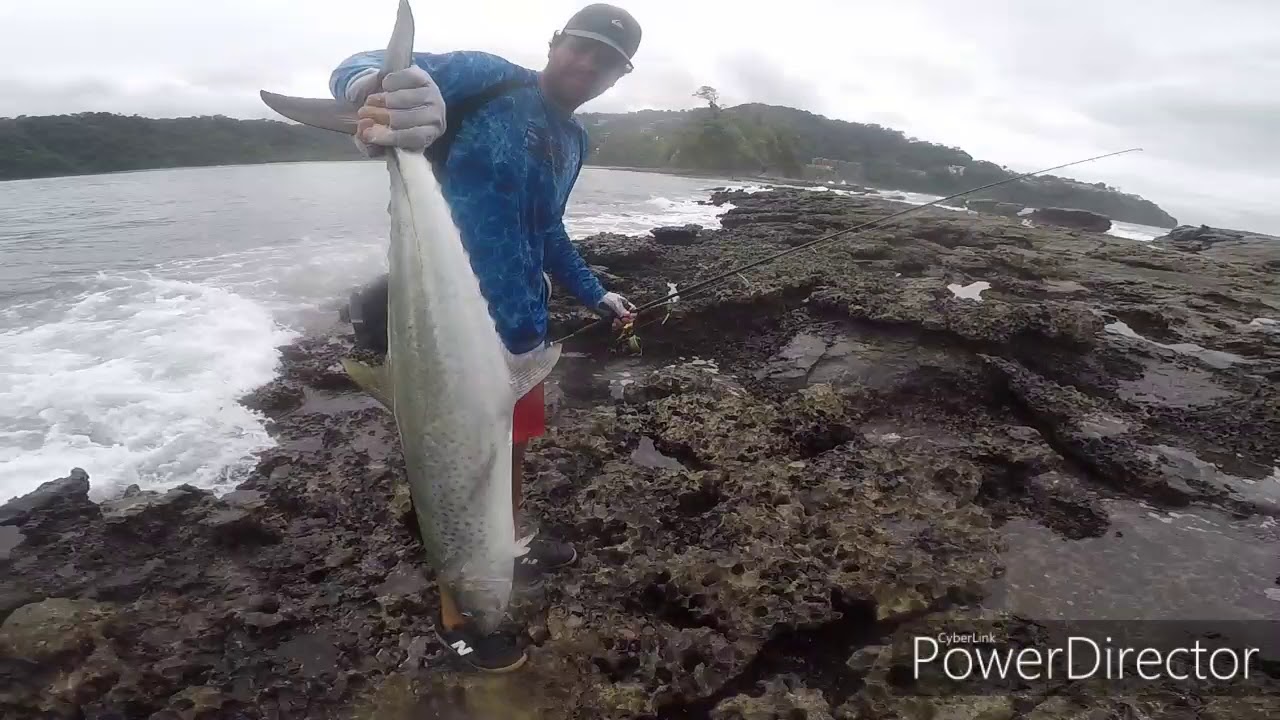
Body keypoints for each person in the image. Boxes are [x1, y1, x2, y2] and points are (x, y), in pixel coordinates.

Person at [329, 3, 642, 672]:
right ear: (556, 43)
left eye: (606, 61)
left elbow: (549, 229)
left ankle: (506, 538)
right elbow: (354, 67)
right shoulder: (489, 79)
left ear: (617, 77)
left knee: (508, 452)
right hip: (441, 331)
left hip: (522, 332)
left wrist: (596, 292)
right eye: (580, 47)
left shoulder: (575, 141)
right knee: (450, 477)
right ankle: (457, 615)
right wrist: (373, 94)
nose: (587, 65)